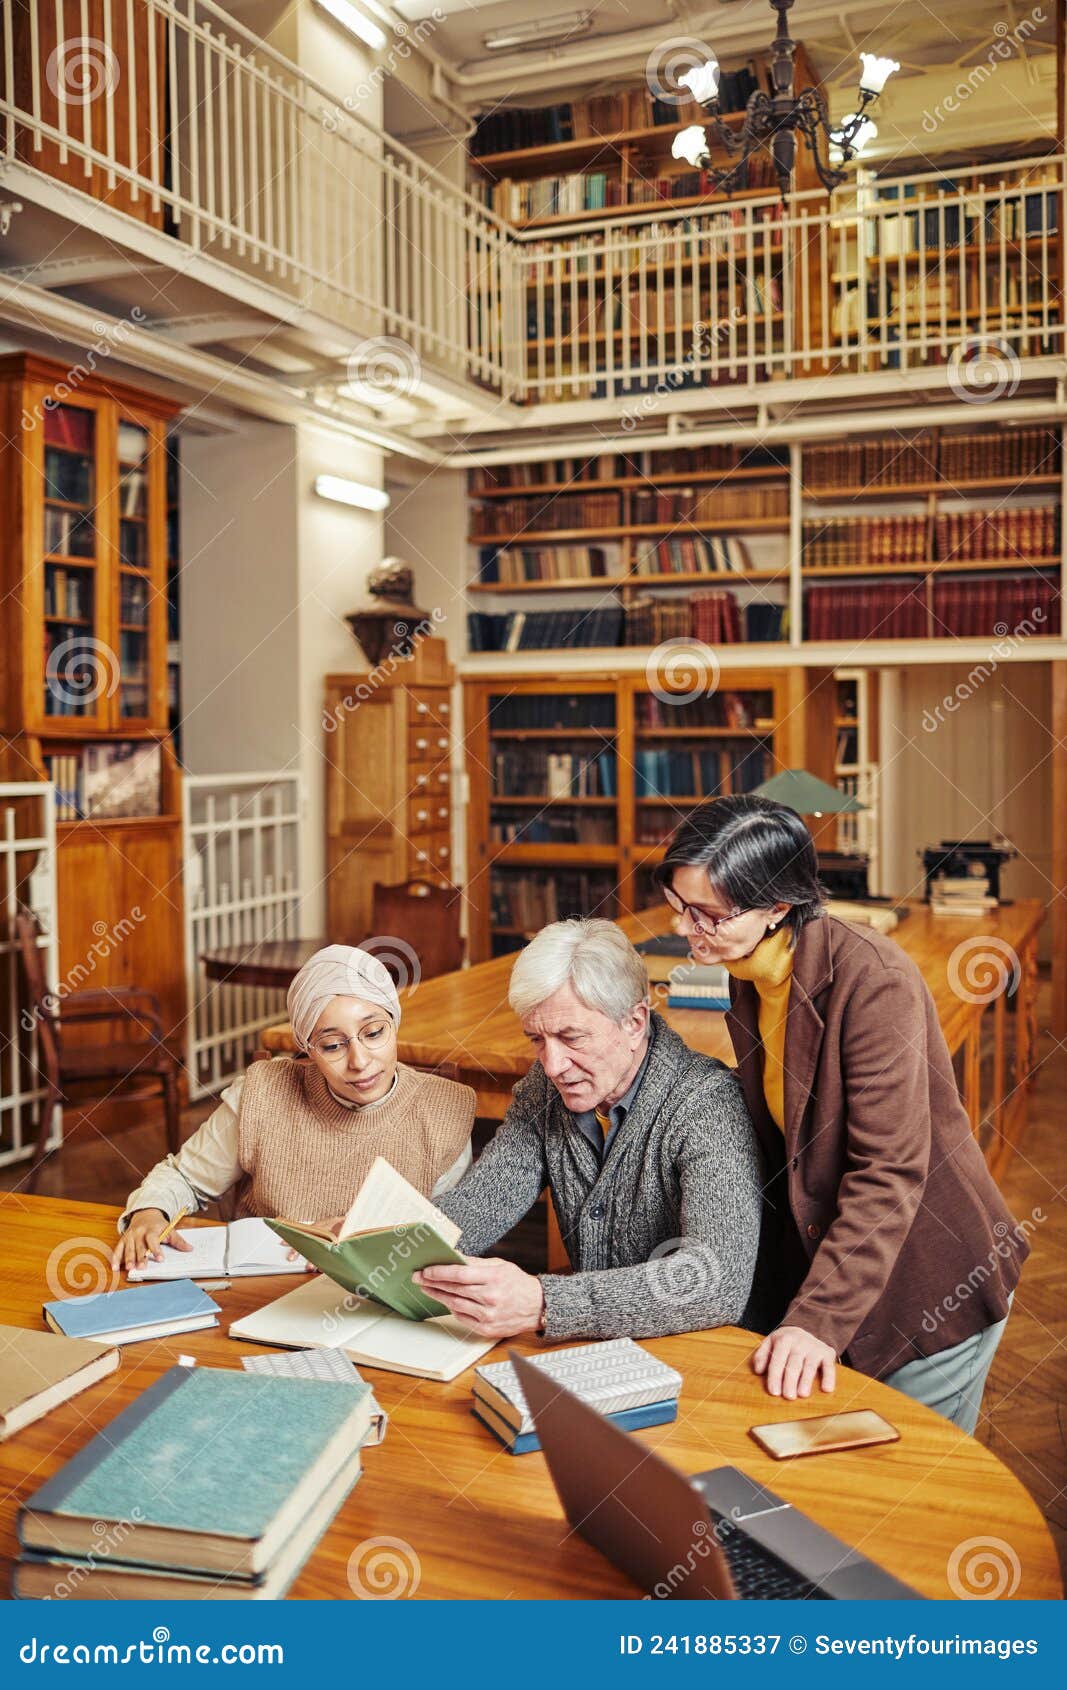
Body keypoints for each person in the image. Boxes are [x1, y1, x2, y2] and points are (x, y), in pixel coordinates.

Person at [655, 794, 1028, 1434]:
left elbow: (889, 1173)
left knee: (911, 1496)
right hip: (851, 1266)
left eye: (709, 915)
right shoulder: (752, 969)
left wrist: (815, 1321)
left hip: (932, 1279)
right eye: (679, 908)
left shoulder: (874, 981)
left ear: (777, 906)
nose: (689, 930)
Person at [413, 917, 762, 1342]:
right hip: (600, 1349)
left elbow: (714, 1283)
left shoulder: (707, 1103)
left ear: (634, 1023)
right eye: (536, 1040)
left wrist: (546, 1304)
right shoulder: (545, 1092)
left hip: (703, 1352)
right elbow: (480, 1203)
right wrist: (382, 1240)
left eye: (571, 1037)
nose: (552, 1065)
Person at [113, 944, 475, 1270]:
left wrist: (354, 1240)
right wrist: (149, 1213)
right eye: (332, 1046)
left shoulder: (443, 1111)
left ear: (394, 1024)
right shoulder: (261, 1094)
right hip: (258, 1289)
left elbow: (446, 1237)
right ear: (307, 1048)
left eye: (374, 1033)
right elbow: (184, 1178)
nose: (360, 1061)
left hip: (375, 1302)